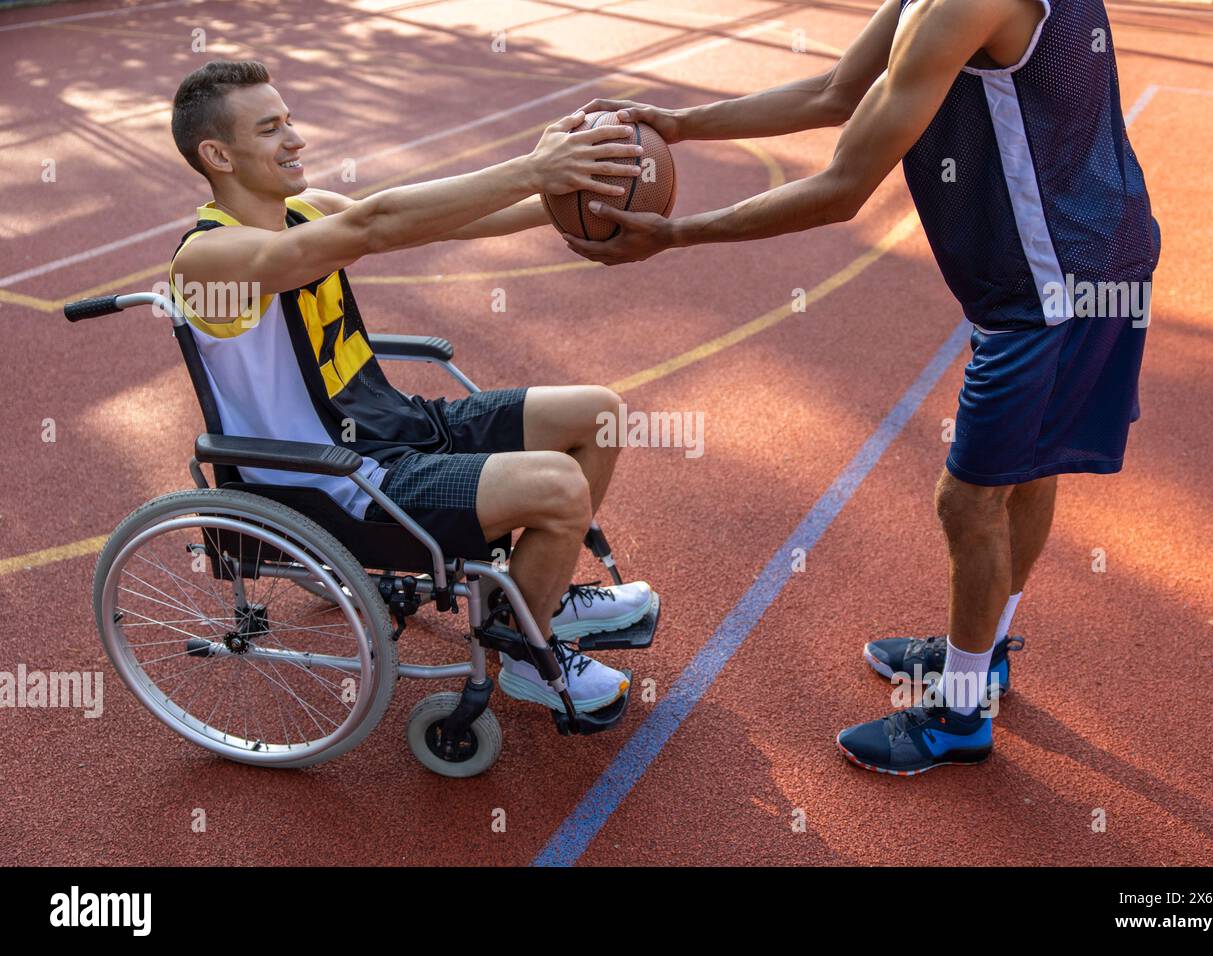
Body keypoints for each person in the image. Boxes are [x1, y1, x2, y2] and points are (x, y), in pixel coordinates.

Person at [566, 0, 1159, 772]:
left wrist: (677, 235)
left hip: (1058, 287)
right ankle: (980, 656)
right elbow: (836, 92)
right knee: (1025, 468)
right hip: (1071, 261)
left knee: (969, 500)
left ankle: (959, 714)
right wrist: (678, 123)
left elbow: (843, 187)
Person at [168, 59, 657, 714]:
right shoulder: (206, 260)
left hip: (391, 425)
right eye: (270, 129)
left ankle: (531, 600)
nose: (295, 139)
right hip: (336, 476)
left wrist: (573, 199)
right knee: (559, 487)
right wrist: (534, 169)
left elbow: (438, 219)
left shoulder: (305, 210)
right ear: (218, 155)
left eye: (289, 121)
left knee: (599, 415)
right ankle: (528, 655)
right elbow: (374, 224)